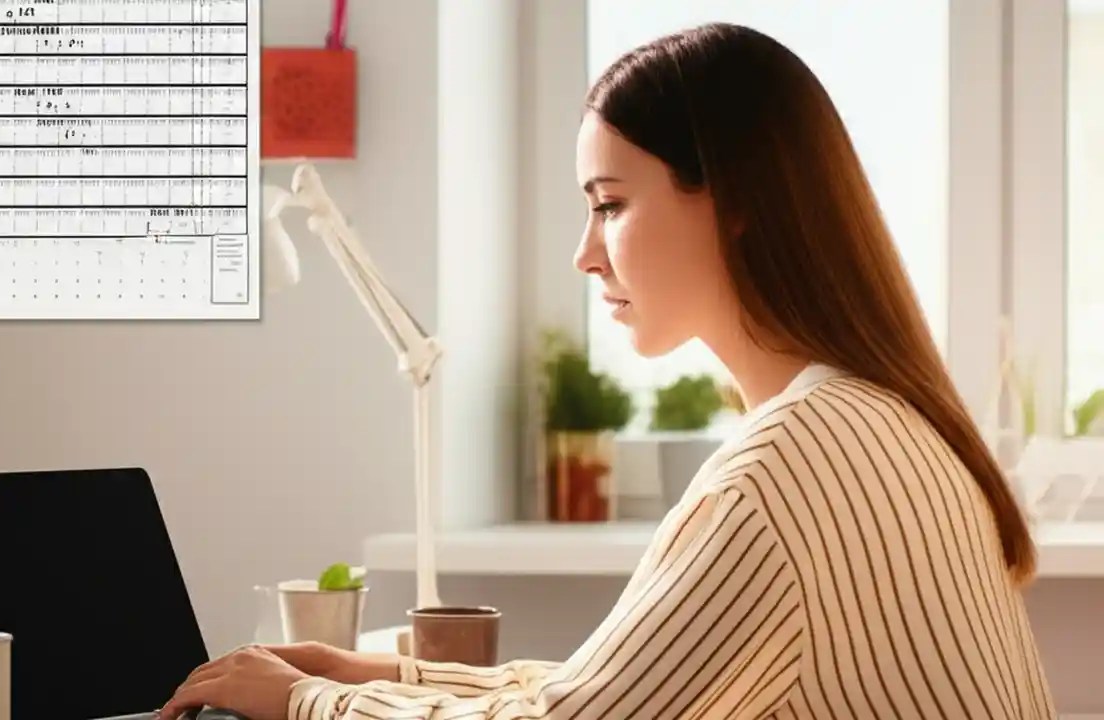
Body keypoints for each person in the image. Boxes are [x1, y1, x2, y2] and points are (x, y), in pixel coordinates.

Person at [160, 22, 1057, 720]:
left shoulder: (786, 467)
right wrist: (389, 672)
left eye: (611, 205)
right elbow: (627, 686)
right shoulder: (880, 422)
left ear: (736, 202)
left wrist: (307, 701)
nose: (585, 255)